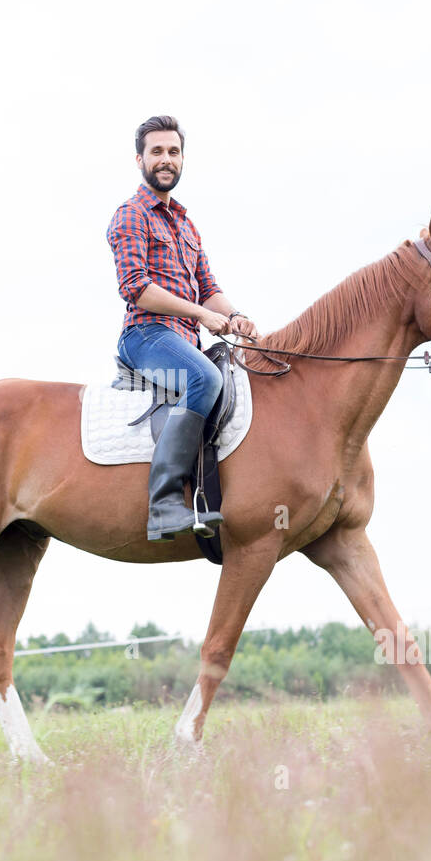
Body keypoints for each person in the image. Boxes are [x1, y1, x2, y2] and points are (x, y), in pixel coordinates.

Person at [106, 115, 261, 542]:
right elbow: (135, 288)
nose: (165, 159)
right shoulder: (131, 215)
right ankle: (163, 503)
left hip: (185, 337)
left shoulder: (186, 225)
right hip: (146, 336)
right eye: (156, 151)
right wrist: (199, 314)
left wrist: (233, 316)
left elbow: (209, 289)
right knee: (203, 377)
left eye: (173, 152)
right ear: (140, 159)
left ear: (182, 159)